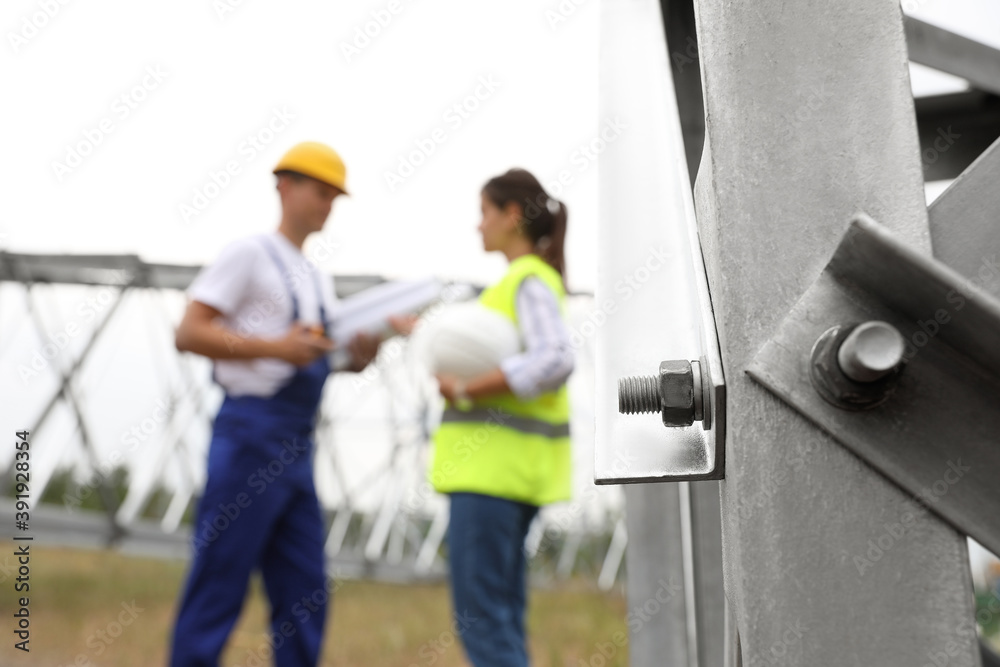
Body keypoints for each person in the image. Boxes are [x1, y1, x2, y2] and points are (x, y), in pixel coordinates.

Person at [168, 141, 380, 666]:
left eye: (335, 196)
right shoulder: (249, 254)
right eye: (320, 191)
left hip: (297, 445)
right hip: (250, 435)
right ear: (284, 186)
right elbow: (189, 332)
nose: (327, 204)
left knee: (305, 589)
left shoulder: (317, 278)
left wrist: (360, 356)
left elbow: (321, 360)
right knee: (222, 579)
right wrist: (275, 347)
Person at [430, 168, 575, 666]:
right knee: (501, 617)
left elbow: (555, 357)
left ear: (512, 217)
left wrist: (466, 388)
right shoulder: (527, 282)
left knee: (484, 622)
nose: (479, 225)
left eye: (484, 213)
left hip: (490, 476)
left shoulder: (526, 280)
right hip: (507, 476)